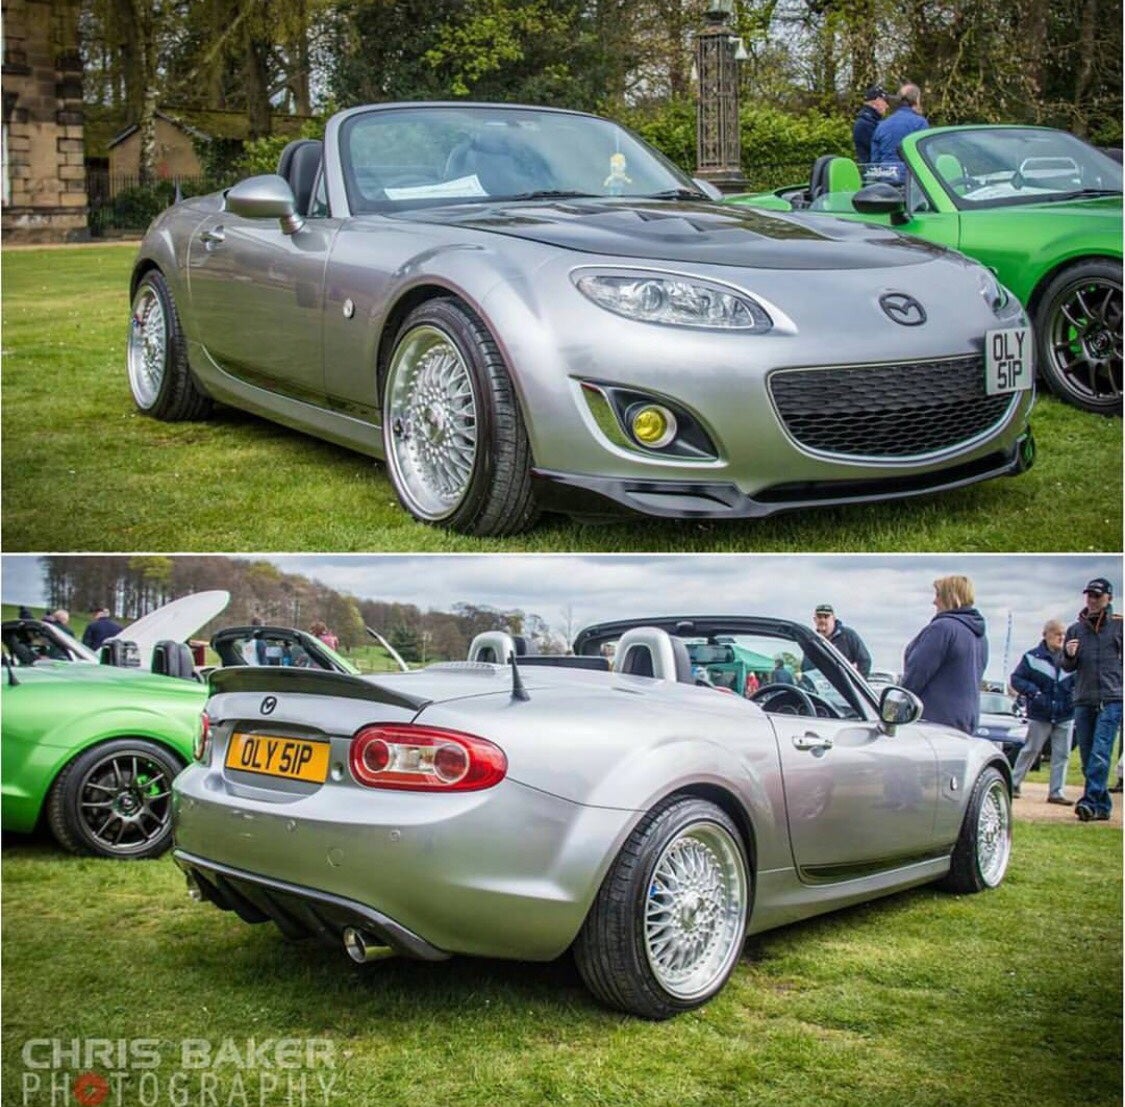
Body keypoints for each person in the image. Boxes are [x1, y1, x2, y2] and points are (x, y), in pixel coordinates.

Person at [1061, 578, 1122, 822]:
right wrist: (1068, 654)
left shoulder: (1119, 626)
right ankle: (1102, 806)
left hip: (1112, 697)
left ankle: (1088, 802)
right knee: (1088, 756)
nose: (1092, 600)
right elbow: (1066, 666)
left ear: (1109, 598)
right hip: (1084, 698)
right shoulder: (1076, 630)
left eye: (1097, 596)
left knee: (1100, 752)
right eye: (1089, 595)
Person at [901, 575, 988, 734]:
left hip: (935, 722)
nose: (934, 601)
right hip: (967, 720)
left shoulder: (942, 629)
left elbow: (917, 674)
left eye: (938, 595)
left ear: (950, 597)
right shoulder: (980, 637)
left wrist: (898, 704)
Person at [1009, 620, 1075, 804]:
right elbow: (1016, 679)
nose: (1061, 637)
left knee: (1062, 754)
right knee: (1031, 749)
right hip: (1040, 713)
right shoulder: (1032, 658)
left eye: (1063, 634)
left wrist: (1074, 697)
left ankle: (1056, 792)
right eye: (1057, 634)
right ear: (1046, 635)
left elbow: (1079, 681)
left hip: (1065, 713)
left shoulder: (1071, 659)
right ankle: (1014, 783)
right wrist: (1034, 693)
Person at [870, 83, 930, 182]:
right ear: (917, 100)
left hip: (886, 180)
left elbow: (875, 161)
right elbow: (925, 157)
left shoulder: (882, 125)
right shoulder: (920, 123)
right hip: (910, 181)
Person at [813, 603, 872, 677]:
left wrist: (854, 681)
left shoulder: (848, 636)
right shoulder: (813, 641)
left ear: (833, 619)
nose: (822, 620)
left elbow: (865, 661)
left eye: (826, 616)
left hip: (844, 683)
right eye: (819, 617)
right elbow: (806, 668)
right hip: (820, 682)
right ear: (815, 619)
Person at [853, 84, 888, 165]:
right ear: (877, 101)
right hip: (871, 169)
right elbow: (881, 149)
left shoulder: (871, 121)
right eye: (885, 101)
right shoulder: (865, 124)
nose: (887, 106)